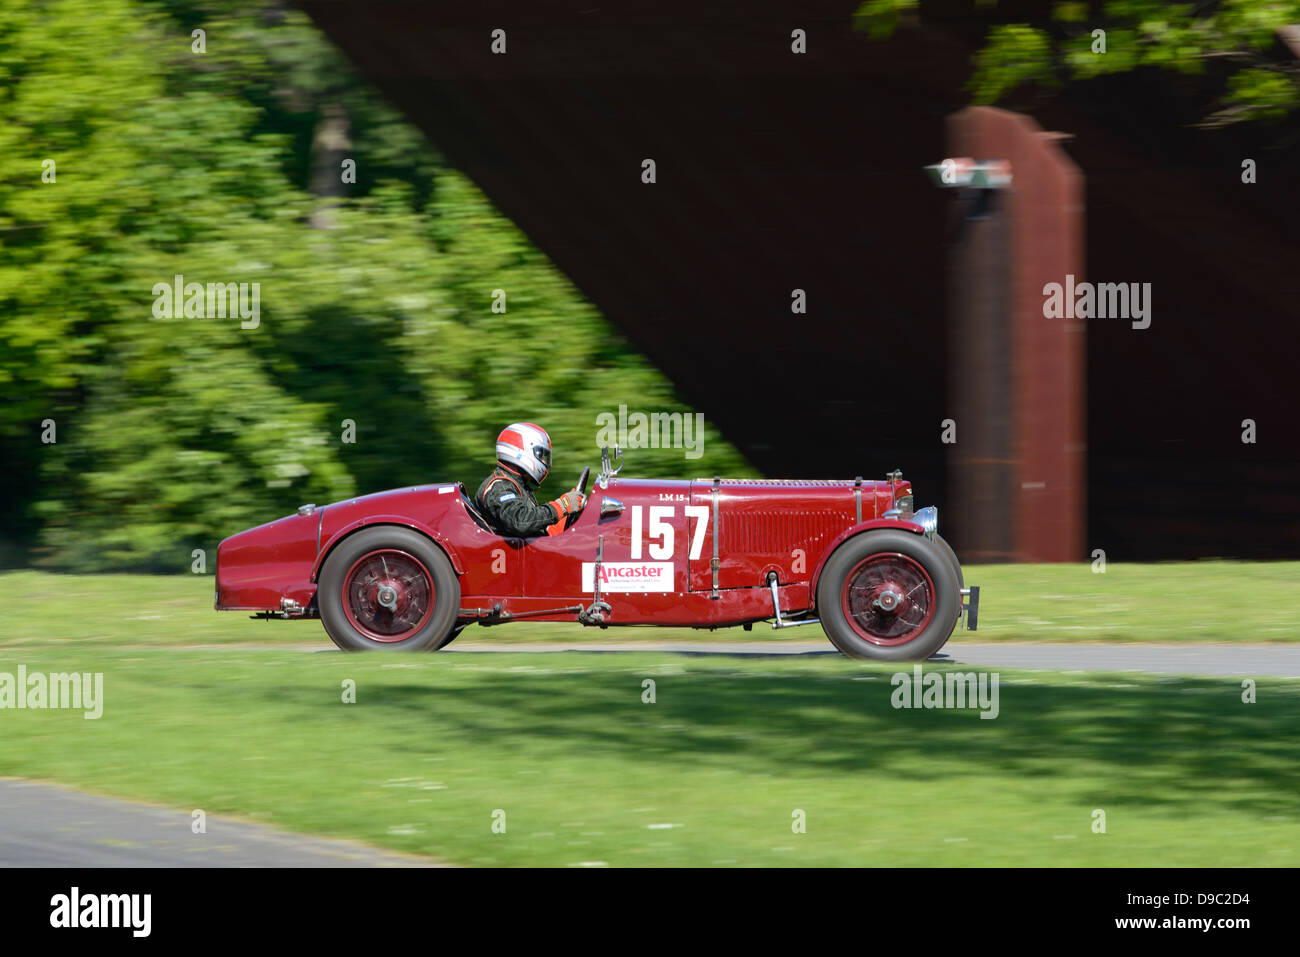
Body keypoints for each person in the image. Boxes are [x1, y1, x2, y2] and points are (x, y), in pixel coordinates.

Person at [475, 423, 585, 537]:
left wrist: (559, 522)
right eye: (541, 455)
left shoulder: (517, 485)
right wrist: (562, 506)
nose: (544, 462)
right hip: (506, 554)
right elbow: (520, 522)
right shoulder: (499, 487)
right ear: (521, 450)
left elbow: (531, 526)